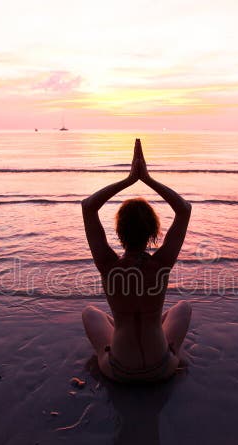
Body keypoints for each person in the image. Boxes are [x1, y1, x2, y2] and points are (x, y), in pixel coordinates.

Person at [82, 139, 192, 383]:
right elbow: (184, 209)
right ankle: (163, 342)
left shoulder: (108, 266)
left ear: (119, 232)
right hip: (162, 368)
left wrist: (129, 179)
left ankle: (119, 335)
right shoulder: (161, 264)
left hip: (119, 371)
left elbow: (88, 207)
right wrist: (148, 179)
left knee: (91, 313)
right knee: (182, 307)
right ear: (153, 232)